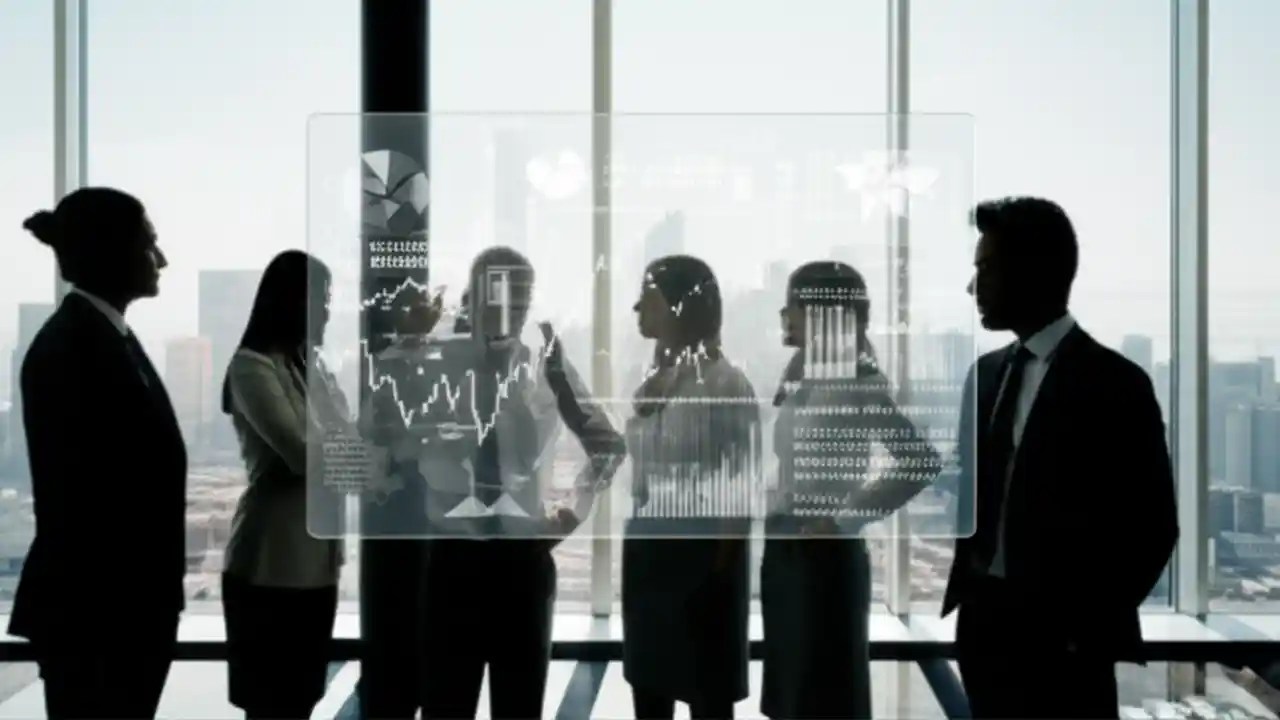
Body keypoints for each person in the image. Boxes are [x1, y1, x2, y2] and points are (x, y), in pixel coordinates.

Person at [943, 197, 1178, 719]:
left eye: (985, 268)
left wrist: (1082, 632)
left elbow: (1153, 527)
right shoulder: (984, 376)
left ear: (1031, 272)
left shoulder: (1115, 384)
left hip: (1066, 653)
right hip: (985, 636)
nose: (973, 287)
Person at [414, 246, 622, 720]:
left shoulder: (544, 362)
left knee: (519, 710)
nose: (518, 310)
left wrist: (569, 515)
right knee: (445, 709)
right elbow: (379, 435)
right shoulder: (434, 360)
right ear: (474, 297)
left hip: (522, 563)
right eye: (507, 297)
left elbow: (608, 446)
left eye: (525, 299)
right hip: (452, 562)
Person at [13, 187, 186, 719]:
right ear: (111, 250)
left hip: (118, 612)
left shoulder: (105, 337)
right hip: (99, 616)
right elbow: (84, 498)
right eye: (149, 244)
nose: (161, 259)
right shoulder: (71, 347)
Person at [760, 261, 942, 720]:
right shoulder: (803, 376)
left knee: (821, 696)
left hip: (824, 559)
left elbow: (919, 460)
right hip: (784, 550)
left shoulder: (858, 383)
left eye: (793, 305)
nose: (784, 315)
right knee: (790, 696)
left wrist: (844, 519)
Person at [623, 255, 760, 720]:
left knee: (707, 695)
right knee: (649, 691)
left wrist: (718, 577)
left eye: (649, 298)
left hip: (702, 560)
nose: (638, 307)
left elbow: (741, 487)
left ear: (681, 305)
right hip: (648, 551)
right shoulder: (652, 381)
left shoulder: (726, 383)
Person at [220, 250, 349, 719]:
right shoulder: (251, 367)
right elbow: (301, 455)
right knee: (272, 703)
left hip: (317, 564)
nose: (328, 313)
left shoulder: (308, 367)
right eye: (322, 300)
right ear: (294, 301)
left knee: (302, 700)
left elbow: (348, 441)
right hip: (271, 563)